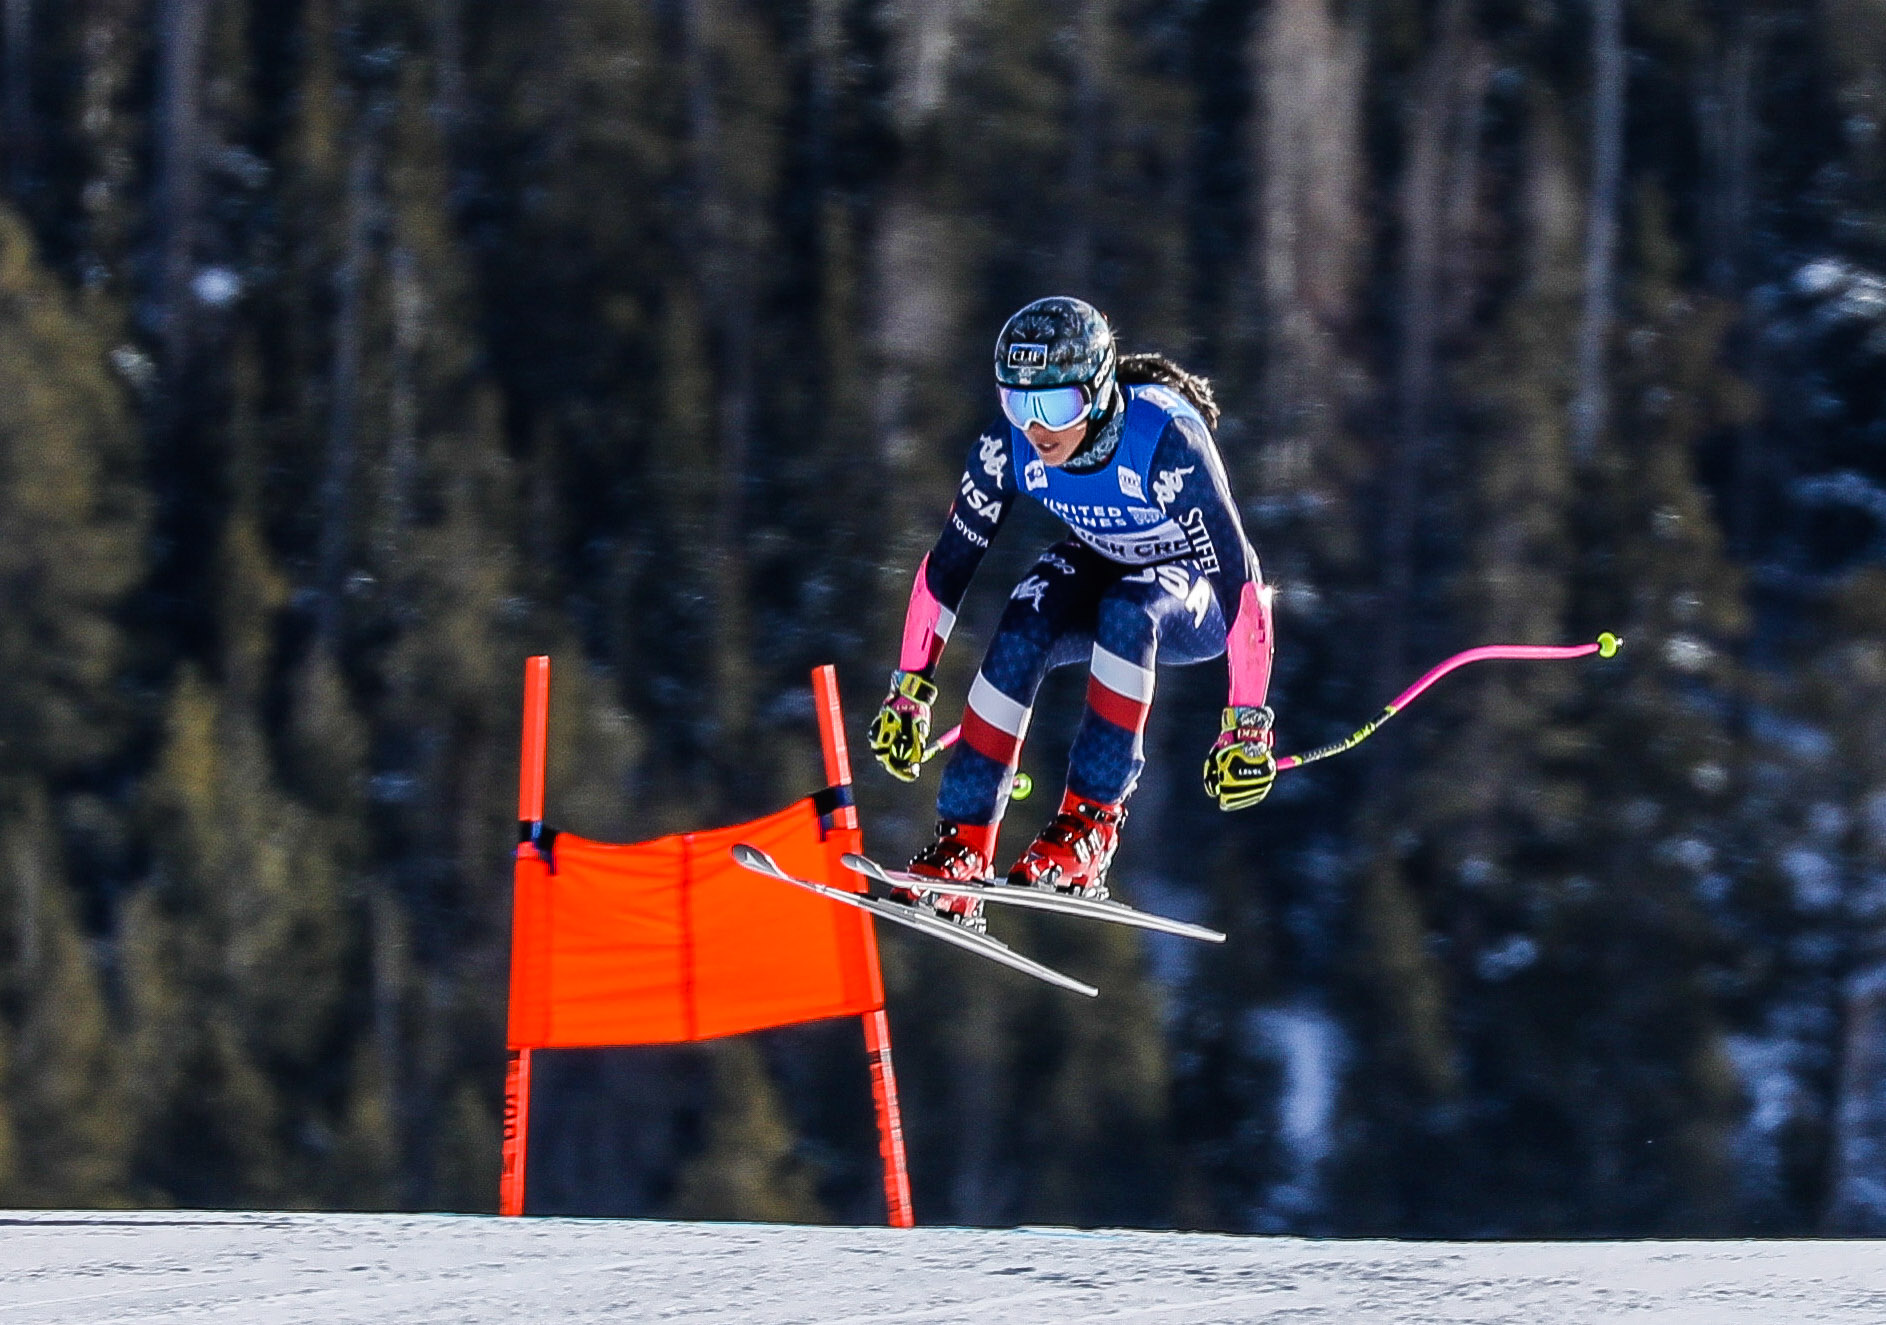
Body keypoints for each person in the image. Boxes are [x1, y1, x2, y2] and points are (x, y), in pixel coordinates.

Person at [866, 296, 1277, 930]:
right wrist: (909, 692)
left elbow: (1243, 586)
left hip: (1194, 592)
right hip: (1102, 557)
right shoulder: (1009, 449)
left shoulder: (1165, 442)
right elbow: (946, 567)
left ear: (1099, 390)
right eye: (1018, 403)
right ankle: (963, 845)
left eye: (1057, 406)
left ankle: (1091, 826)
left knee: (1129, 609)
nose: (1037, 429)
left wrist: (1246, 724)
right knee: (1026, 615)